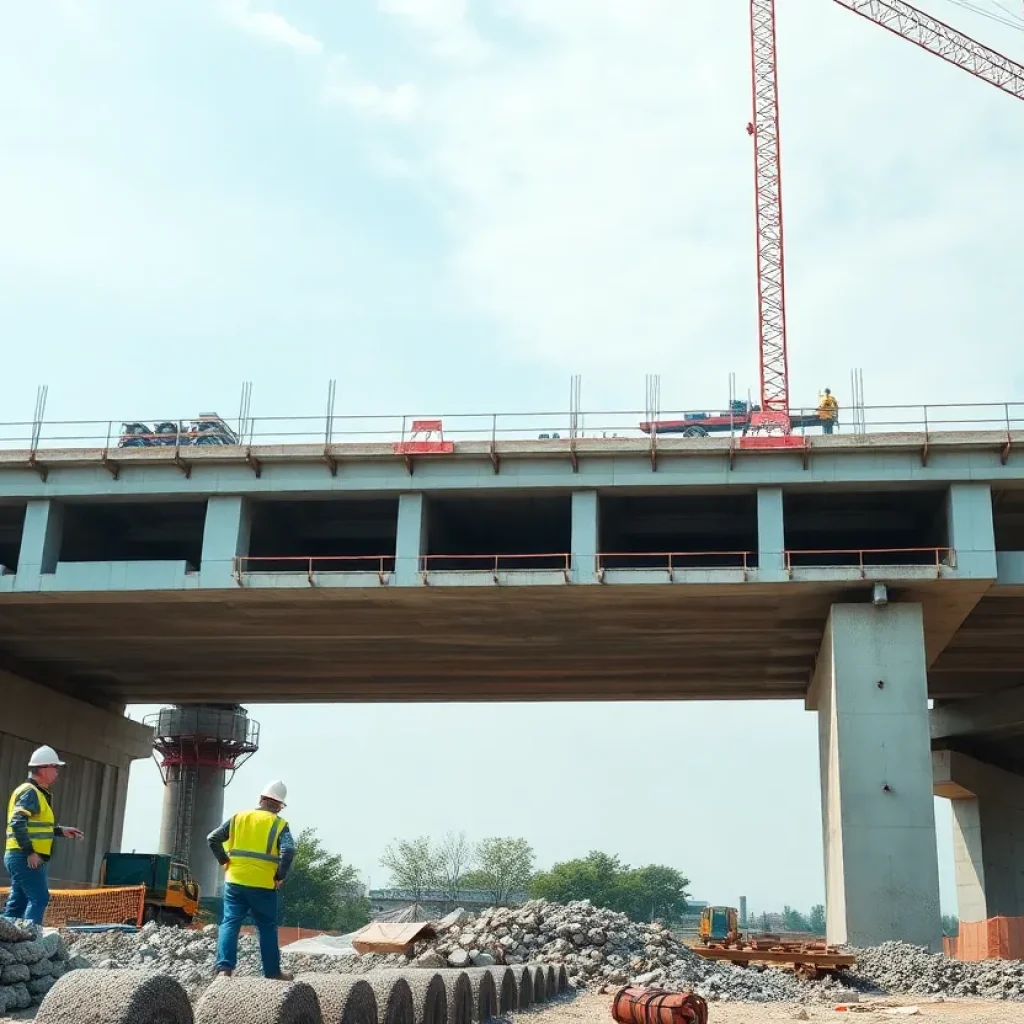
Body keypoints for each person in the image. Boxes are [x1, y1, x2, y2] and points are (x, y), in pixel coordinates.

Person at [208, 780, 295, 981]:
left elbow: (212, 838)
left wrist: (224, 860)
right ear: (280, 806)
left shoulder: (239, 818)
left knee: (230, 923)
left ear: (261, 799)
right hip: (263, 885)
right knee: (266, 927)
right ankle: (272, 972)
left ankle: (224, 970)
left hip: (235, 882)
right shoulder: (280, 825)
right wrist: (280, 876)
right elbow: (288, 850)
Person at [4, 745, 85, 925]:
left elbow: (35, 826)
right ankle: (30, 938)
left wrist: (61, 831)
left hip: (17, 855)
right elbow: (17, 822)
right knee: (39, 898)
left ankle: (7, 937)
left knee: (18, 904)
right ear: (42, 769)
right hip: (24, 856)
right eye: (54, 767)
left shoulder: (34, 792)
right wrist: (30, 853)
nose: (57, 771)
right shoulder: (30, 792)